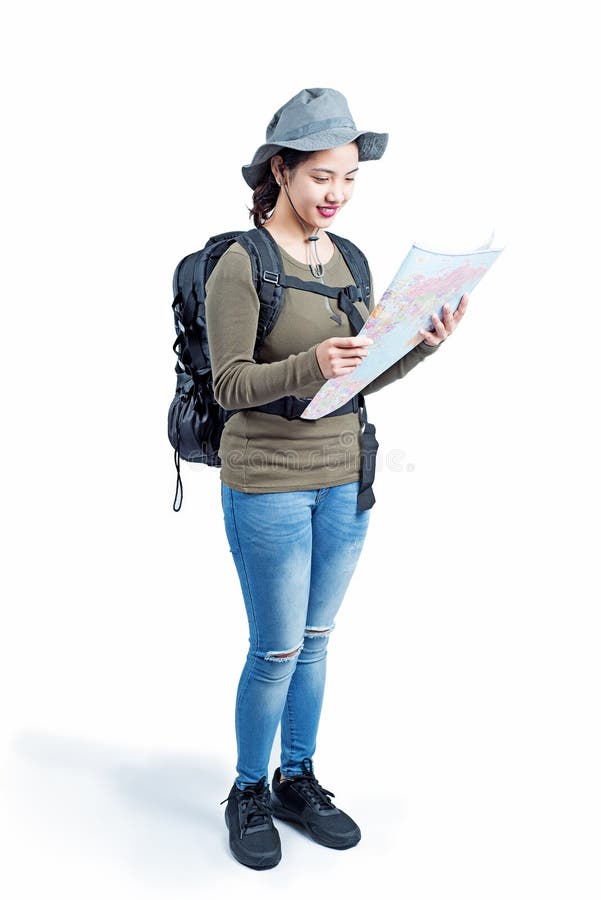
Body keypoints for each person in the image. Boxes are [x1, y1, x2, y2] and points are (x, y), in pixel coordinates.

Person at [204, 87, 468, 870]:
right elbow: (229, 387)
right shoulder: (239, 263)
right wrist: (308, 361)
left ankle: (297, 778)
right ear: (280, 171)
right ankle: (248, 789)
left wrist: (420, 345)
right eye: (322, 176)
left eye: (349, 178)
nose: (337, 194)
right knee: (277, 649)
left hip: (344, 476)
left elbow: (352, 380)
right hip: (268, 480)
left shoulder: (350, 260)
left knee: (316, 642)